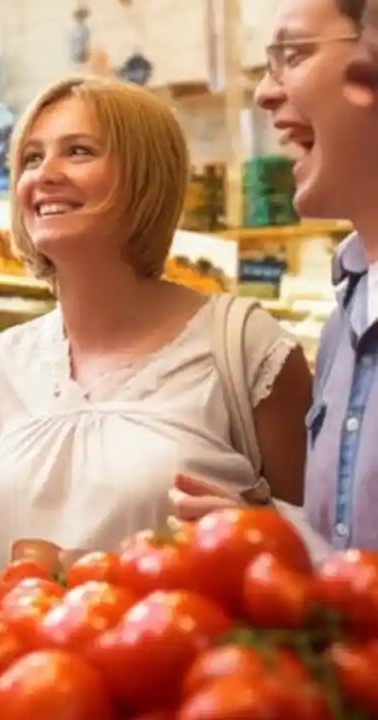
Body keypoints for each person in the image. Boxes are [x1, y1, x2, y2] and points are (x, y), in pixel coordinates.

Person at [0, 76, 315, 571]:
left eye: (79, 151)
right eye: (32, 158)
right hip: (23, 647)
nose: (45, 175)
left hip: (180, 644)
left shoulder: (242, 346)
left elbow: (320, 554)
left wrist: (258, 537)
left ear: (146, 178)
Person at [176, 0, 378, 551]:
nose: (265, 91)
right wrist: (276, 538)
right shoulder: (348, 317)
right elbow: (347, 560)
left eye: (293, 55)